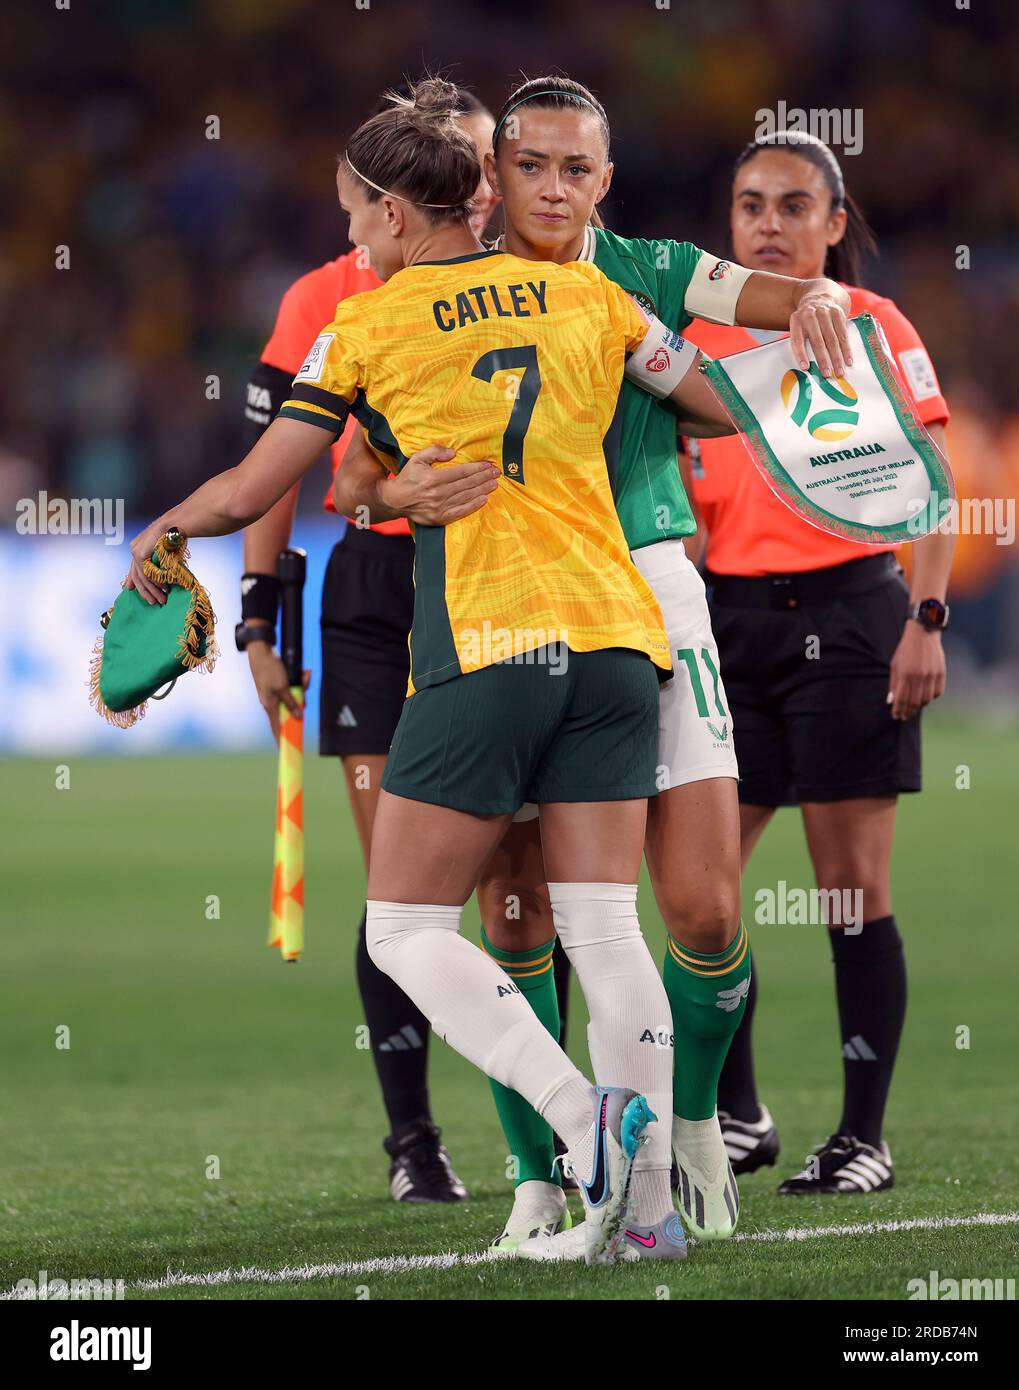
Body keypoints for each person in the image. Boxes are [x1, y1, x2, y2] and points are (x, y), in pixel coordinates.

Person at [127, 77, 739, 1264]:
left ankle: (581, 1123)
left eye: (359, 214)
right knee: (606, 928)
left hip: (489, 642)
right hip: (619, 639)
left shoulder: (369, 324)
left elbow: (257, 488)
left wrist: (162, 533)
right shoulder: (585, 290)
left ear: (402, 215)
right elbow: (715, 407)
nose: (352, 237)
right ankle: (651, 1207)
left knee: (405, 926)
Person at [335, 75, 856, 1255]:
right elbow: (350, 476)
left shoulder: (650, 271)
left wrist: (816, 297)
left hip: (652, 596)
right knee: (516, 908)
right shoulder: (427, 290)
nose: (555, 188)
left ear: (604, 179)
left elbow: (755, 305)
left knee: (703, 905)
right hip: (501, 607)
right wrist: (385, 496)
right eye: (532, 166)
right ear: (493, 175)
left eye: (578, 169)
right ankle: (544, 1178)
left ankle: (685, 1136)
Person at [236, 89, 500, 1204]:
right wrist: (258, 611)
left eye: (495, 162)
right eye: (474, 162)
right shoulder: (323, 296)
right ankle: (414, 1142)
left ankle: (542, 1128)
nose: (488, 185)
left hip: (497, 576)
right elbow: (276, 466)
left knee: (515, 886)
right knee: (400, 890)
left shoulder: (528, 279)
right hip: (375, 591)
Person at [682, 131, 955, 1194]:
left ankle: (861, 1136)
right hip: (725, 628)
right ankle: (739, 1117)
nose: (766, 222)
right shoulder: (692, 335)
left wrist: (922, 619)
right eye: (749, 203)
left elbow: (934, 482)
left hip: (848, 623)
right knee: (702, 896)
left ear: (833, 225)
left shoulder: (876, 326)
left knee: (847, 894)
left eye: (793, 205)